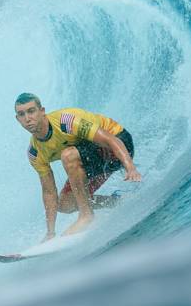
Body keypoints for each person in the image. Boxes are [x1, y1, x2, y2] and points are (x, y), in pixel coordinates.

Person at [14, 92, 142, 240]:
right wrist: (50, 232)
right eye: (22, 114)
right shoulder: (35, 153)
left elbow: (109, 139)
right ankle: (116, 202)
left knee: (68, 155)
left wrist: (130, 167)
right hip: (93, 159)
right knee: (64, 203)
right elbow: (49, 192)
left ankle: (86, 215)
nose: (28, 118)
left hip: (118, 144)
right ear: (18, 120)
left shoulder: (65, 122)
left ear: (42, 111)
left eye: (31, 111)